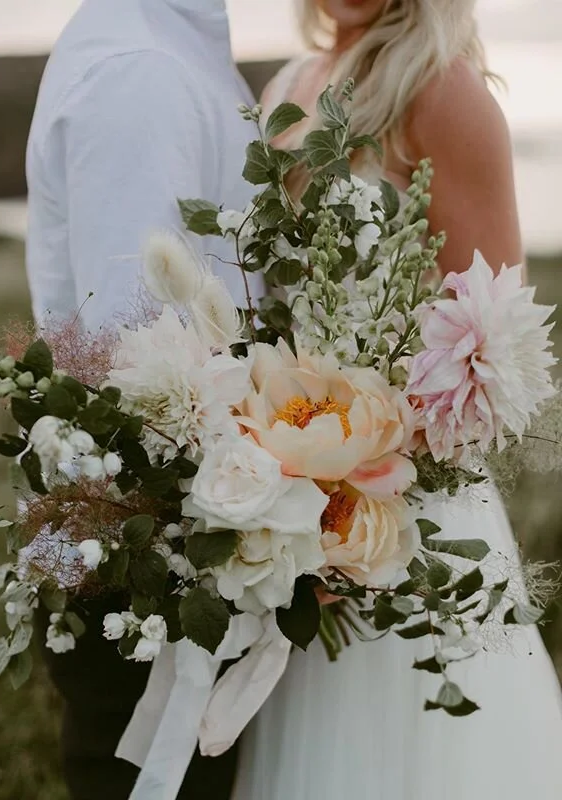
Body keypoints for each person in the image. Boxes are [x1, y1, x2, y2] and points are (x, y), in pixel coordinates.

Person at [232, 1, 562, 798]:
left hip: (403, 514)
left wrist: (360, 466)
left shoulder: (443, 92)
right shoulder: (291, 80)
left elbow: (494, 341)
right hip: (291, 501)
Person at [25, 1, 263, 798]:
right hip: (150, 570)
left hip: (172, 552)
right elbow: (148, 382)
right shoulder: (144, 74)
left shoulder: (178, 52)